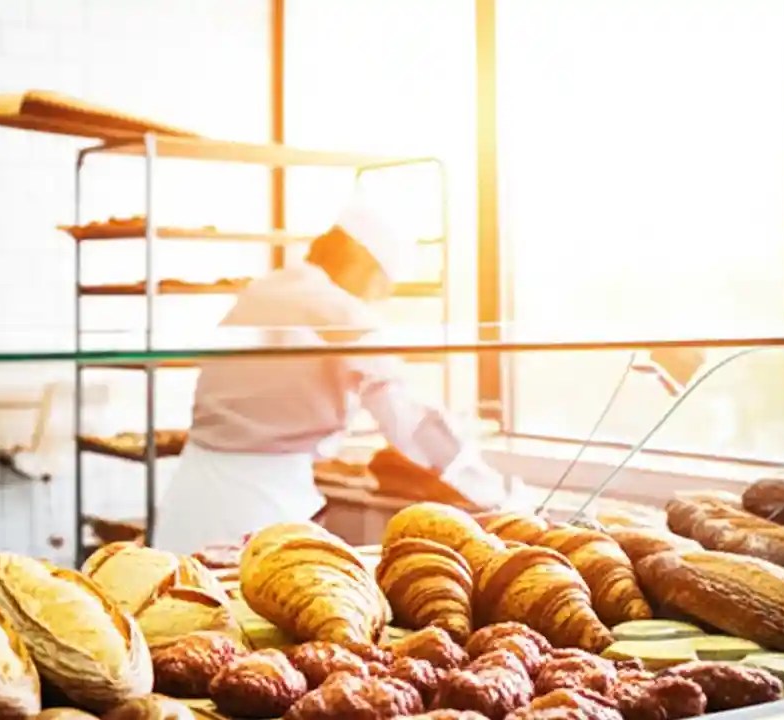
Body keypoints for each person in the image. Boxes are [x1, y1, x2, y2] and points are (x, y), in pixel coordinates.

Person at [152, 195, 523, 554]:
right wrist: (497, 498)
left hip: (189, 496)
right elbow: (409, 421)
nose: (379, 298)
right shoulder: (341, 313)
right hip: (258, 507)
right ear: (361, 262)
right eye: (383, 283)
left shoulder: (266, 287)